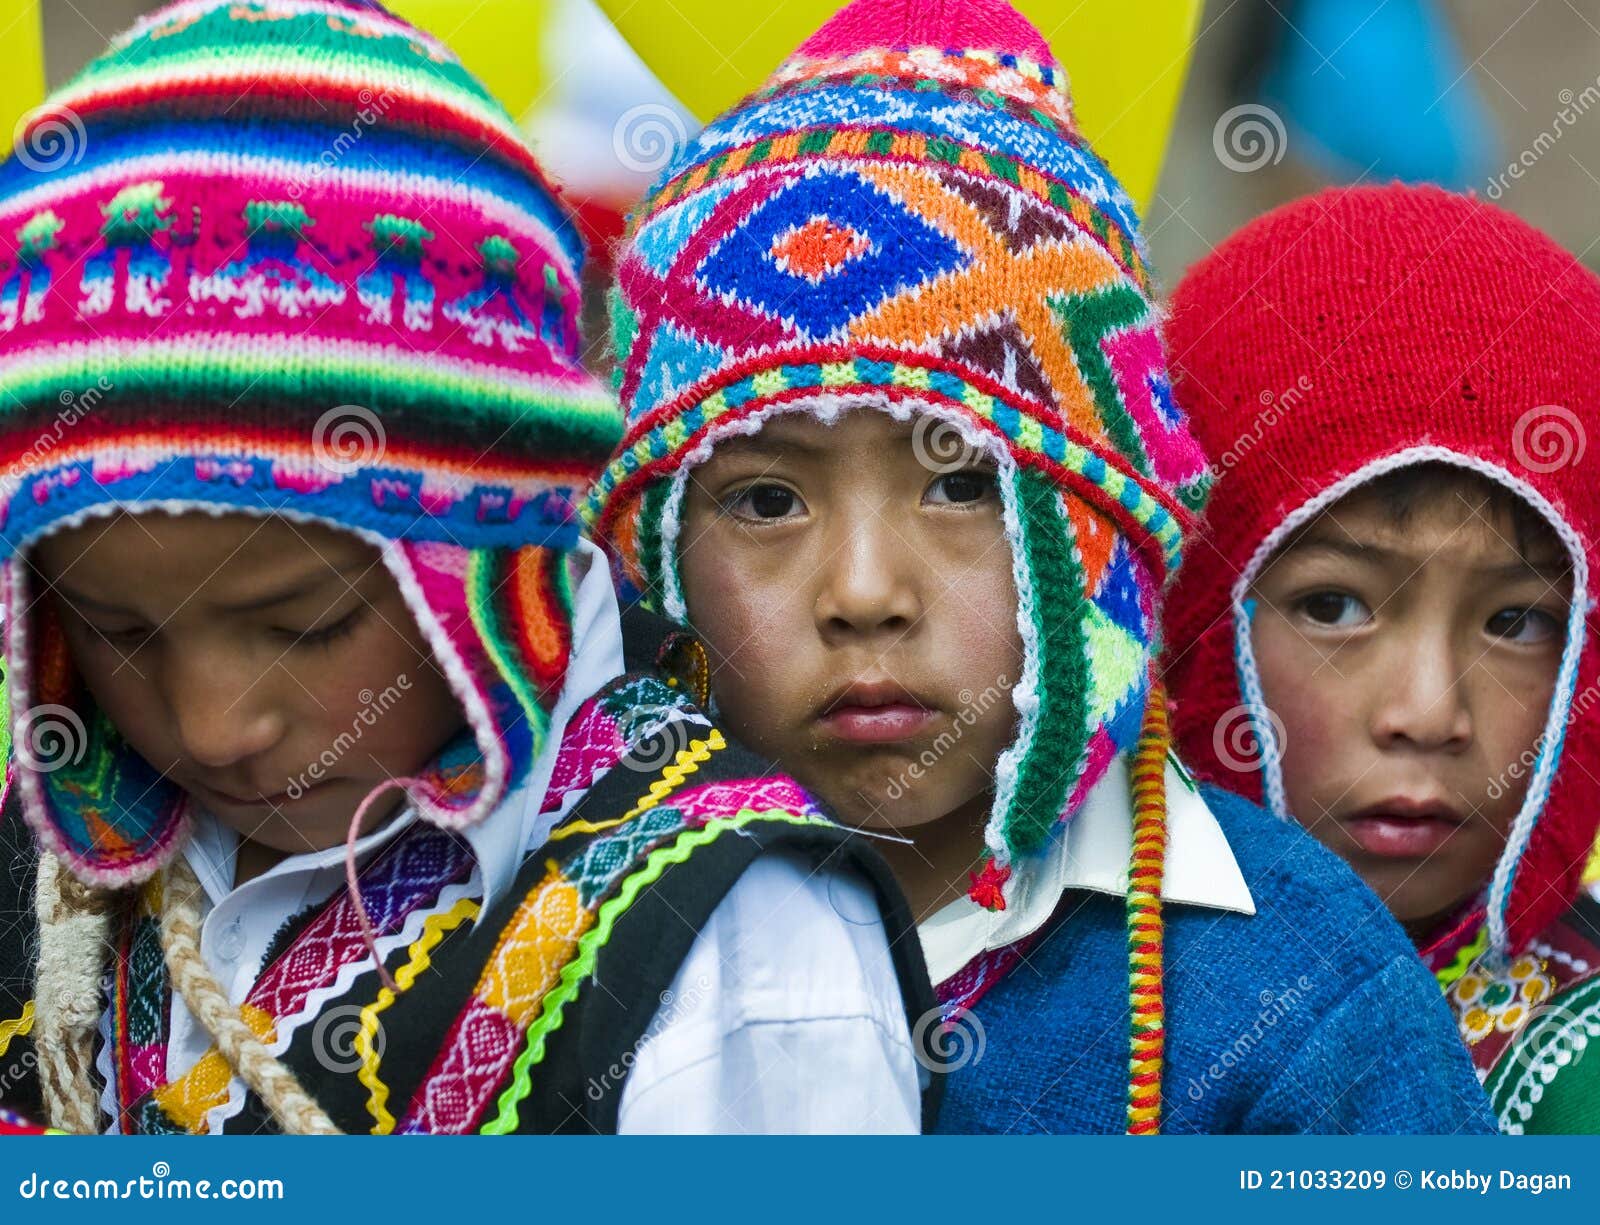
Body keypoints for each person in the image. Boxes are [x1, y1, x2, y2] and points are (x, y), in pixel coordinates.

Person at [0, 0, 934, 1136]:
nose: (212, 724)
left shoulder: (741, 965)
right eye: (118, 629)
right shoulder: (48, 841)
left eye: (303, 625)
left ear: (499, 559)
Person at [585, 0, 1495, 1133]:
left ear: (1098, 531)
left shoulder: (1304, 998)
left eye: (961, 486)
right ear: (655, 548)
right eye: (766, 500)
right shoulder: (556, 954)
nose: (863, 593)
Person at [1162, 183, 1600, 1133]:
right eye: (1333, 606)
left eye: (1517, 621)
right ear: (1182, 618)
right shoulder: (1017, 994)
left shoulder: (1578, 1078)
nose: (1429, 712)